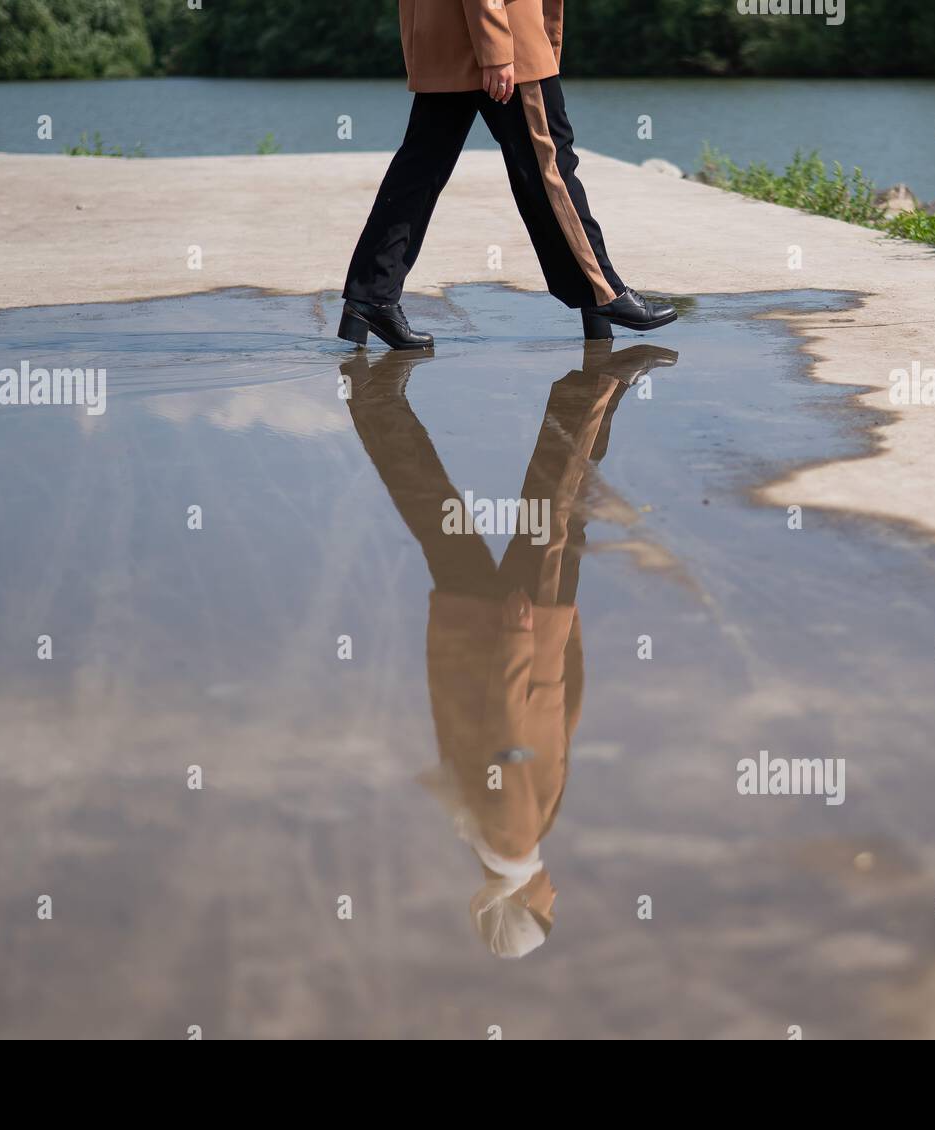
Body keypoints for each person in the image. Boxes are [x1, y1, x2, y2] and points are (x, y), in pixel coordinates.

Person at [342, 339, 678, 956]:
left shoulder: (515, 836)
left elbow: (507, 734)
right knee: (441, 516)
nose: (557, 899)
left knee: (556, 509)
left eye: (549, 911)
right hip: (475, 636)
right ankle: (373, 403)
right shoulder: (484, 836)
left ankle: (593, 387)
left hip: (513, 636)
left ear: (528, 904)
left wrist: (524, 641)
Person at [339, 1, 677, 350]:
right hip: (504, 34)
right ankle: (603, 293)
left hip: (450, 33)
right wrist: (496, 49)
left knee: (420, 170)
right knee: (551, 169)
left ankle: (372, 295)